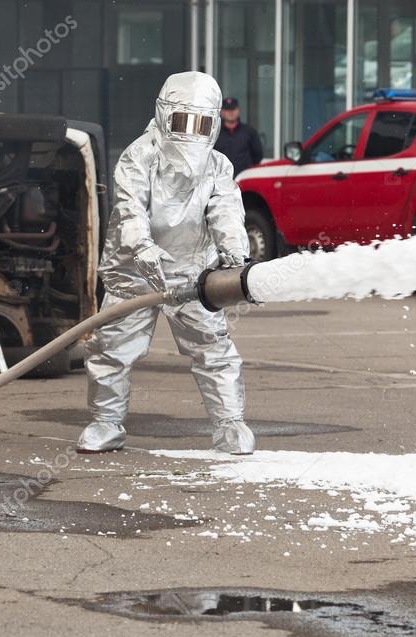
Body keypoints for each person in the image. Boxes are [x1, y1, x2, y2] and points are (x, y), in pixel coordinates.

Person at [77, 71, 255, 456]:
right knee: (112, 348)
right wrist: (142, 247)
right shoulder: (139, 156)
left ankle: (230, 424)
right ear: (164, 114)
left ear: (213, 125)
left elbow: (225, 210)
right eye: (182, 121)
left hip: (193, 273)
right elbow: (130, 207)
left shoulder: (218, 166)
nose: (190, 133)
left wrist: (234, 250)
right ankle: (106, 422)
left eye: (200, 124)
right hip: (133, 272)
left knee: (213, 348)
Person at [213, 97, 263, 177]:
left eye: (233, 109)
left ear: (238, 111)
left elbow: (258, 155)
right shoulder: (215, 132)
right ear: (222, 112)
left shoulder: (249, 132)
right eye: (227, 109)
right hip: (221, 178)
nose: (231, 112)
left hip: (244, 178)